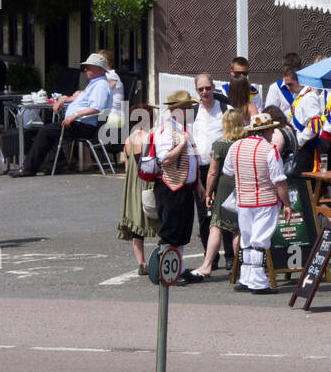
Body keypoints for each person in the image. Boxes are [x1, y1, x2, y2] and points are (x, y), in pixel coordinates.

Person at [222, 112, 291, 295]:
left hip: (243, 201)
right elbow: (279, 181)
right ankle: (258, 282)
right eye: (272, 129)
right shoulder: (270, 150)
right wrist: (287, 203)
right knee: (260, 241)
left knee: (246, 239)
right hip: (265, 201)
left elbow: (227, 172)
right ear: (267, 130)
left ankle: (245, 279)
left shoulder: (235, 146)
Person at [13, 53, 112, 176]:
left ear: (98, 68)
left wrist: (73, 115)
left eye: (89, 67)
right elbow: (80, 98)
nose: (85, 69)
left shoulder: (101, 85)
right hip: (80, 123)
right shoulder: (94, 83)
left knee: (46, 131)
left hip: (84, 126)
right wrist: (64, 99)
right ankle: (52, 165)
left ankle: (29, 168)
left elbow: (96, 108)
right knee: (50, 130)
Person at [152, 90, 207, 285]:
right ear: (178, 110)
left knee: (183, 230)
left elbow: (194, 159)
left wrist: (198, 183)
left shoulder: (182, 129)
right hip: (170, 187)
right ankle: (165, 272)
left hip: (185, 186)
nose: (191, 110)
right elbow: (165, 159)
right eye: (188, 107)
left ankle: (179, 269)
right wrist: (182, 143)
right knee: (171, 230)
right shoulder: (166, 130)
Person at [191, 109, 246, 278]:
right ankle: (241, 266)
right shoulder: (245, 143)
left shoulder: (219, 145)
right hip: (243, 186)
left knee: (216, 227)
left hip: (225, 187)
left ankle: (207, 265)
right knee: (238, 228)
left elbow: (213, 173)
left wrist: (208, 194)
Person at [190, 73, 226, 251]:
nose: (205, 92)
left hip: (223, 170)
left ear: (214, 87)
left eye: (208, 88)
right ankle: (210, 256)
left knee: (226, 212)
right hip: (201, 170)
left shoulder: (226, 110)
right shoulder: (193, 112)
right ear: (196, 91)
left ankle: (229, 257)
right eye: (201, 89)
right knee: (204, 215)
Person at [118, 121, 158, 276]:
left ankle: (141, 262)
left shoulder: (129, 140)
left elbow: (127, 168)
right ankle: (162, 257)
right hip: (147, 182)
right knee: (158, 220)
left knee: (137, 226)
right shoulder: (149, 137)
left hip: (133, 186)